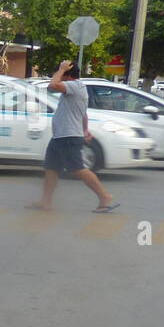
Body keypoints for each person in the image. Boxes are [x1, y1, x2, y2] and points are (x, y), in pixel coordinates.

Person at [29, 60, 119, 213]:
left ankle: (104, 196)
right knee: (51, 168)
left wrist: (61, 69)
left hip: (68, 136)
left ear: (67, 75)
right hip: (61, 136)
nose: (59, 76)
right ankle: (46, 202)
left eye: (62, 74)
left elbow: (52, 86)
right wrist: (85, 130)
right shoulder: (74, 89)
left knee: (78, 169)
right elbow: (83, 113)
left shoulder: (75, 86)